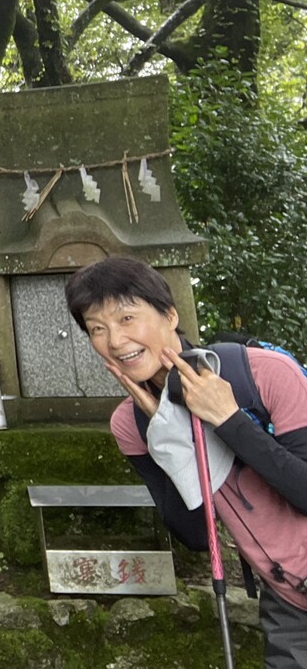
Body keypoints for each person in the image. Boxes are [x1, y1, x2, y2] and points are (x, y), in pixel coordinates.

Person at [66, 256, 307, 666]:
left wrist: (229, 420)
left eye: (127, 318)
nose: (116, 340)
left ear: (170, 314)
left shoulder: (264, 374)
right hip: (288, 600)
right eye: (97, 329)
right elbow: (196, 534)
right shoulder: (131, 425)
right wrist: (169, 439)